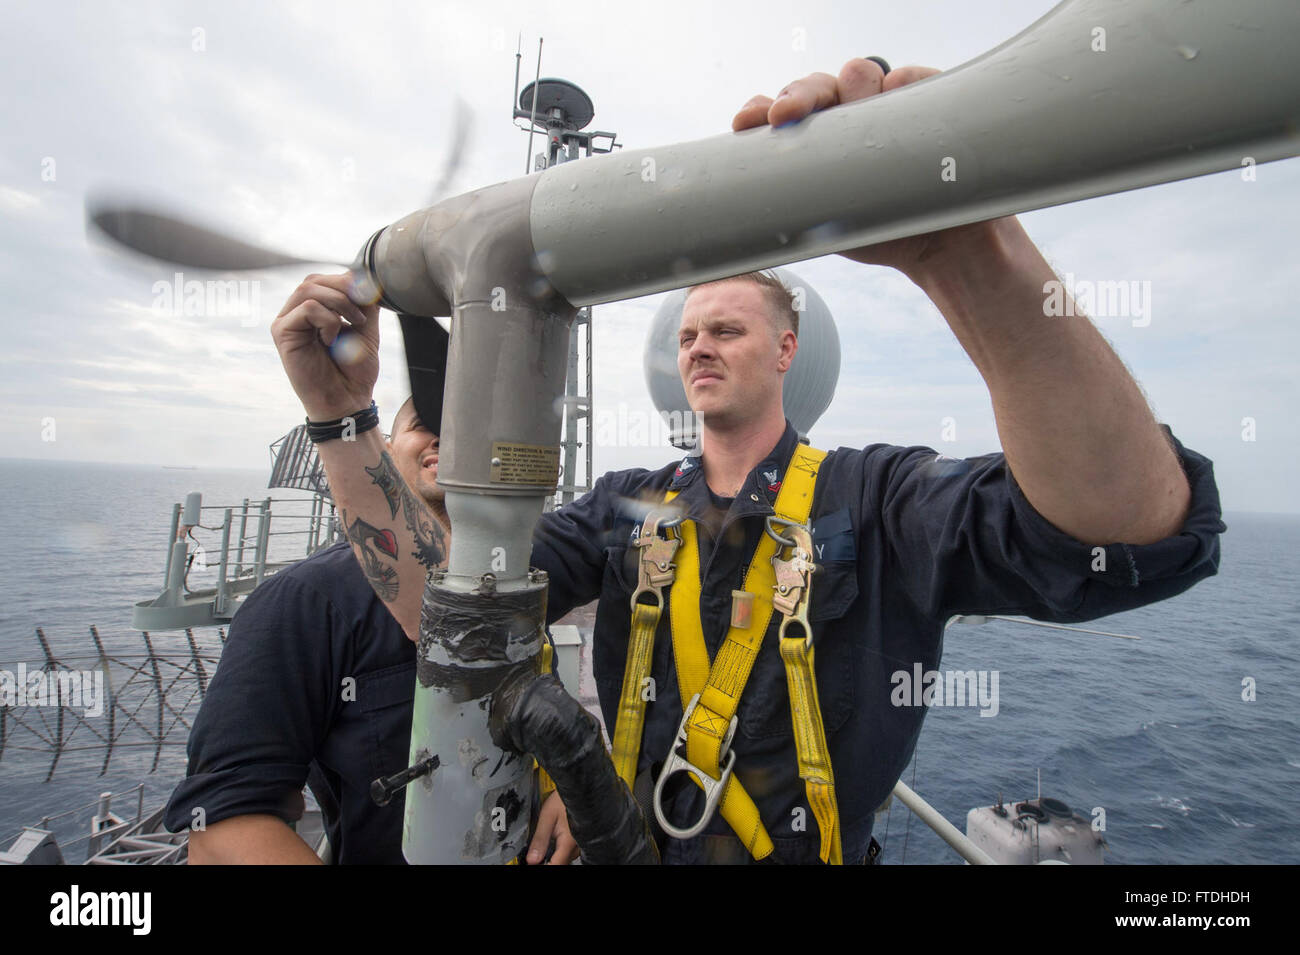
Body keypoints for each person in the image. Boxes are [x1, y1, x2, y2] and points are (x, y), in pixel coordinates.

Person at [266, 59, 1226, 864]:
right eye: (687, 332)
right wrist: (341, 423)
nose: (698, 346)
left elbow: (1116, 530)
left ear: (786, 352)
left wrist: (967, 253)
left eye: (727, 326)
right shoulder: (623, 508)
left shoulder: (879, 499)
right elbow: (451, 610)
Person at [163, 398, 449, 863]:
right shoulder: (305, 600)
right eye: (424, 425)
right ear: (386, 450)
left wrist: (563, 790)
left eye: (464, 426)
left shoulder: (517, 587)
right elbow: (222, 826)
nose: (446, 435)